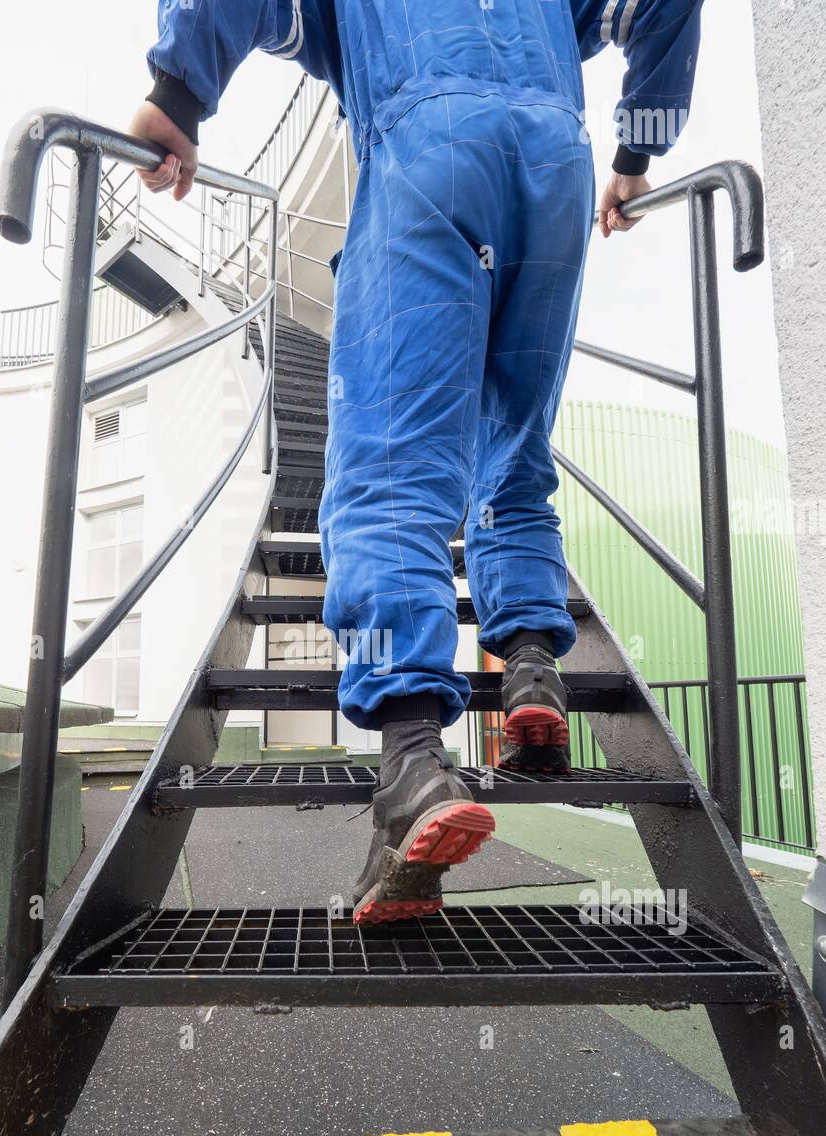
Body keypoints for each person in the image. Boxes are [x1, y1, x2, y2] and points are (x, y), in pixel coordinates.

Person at [129, 1, 704, 924]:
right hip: (557, 164)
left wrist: (178, 94)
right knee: (512, 444)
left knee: (392, 469)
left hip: (430, 152)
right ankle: (527, 665)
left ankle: (410, 767)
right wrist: (637, 153)